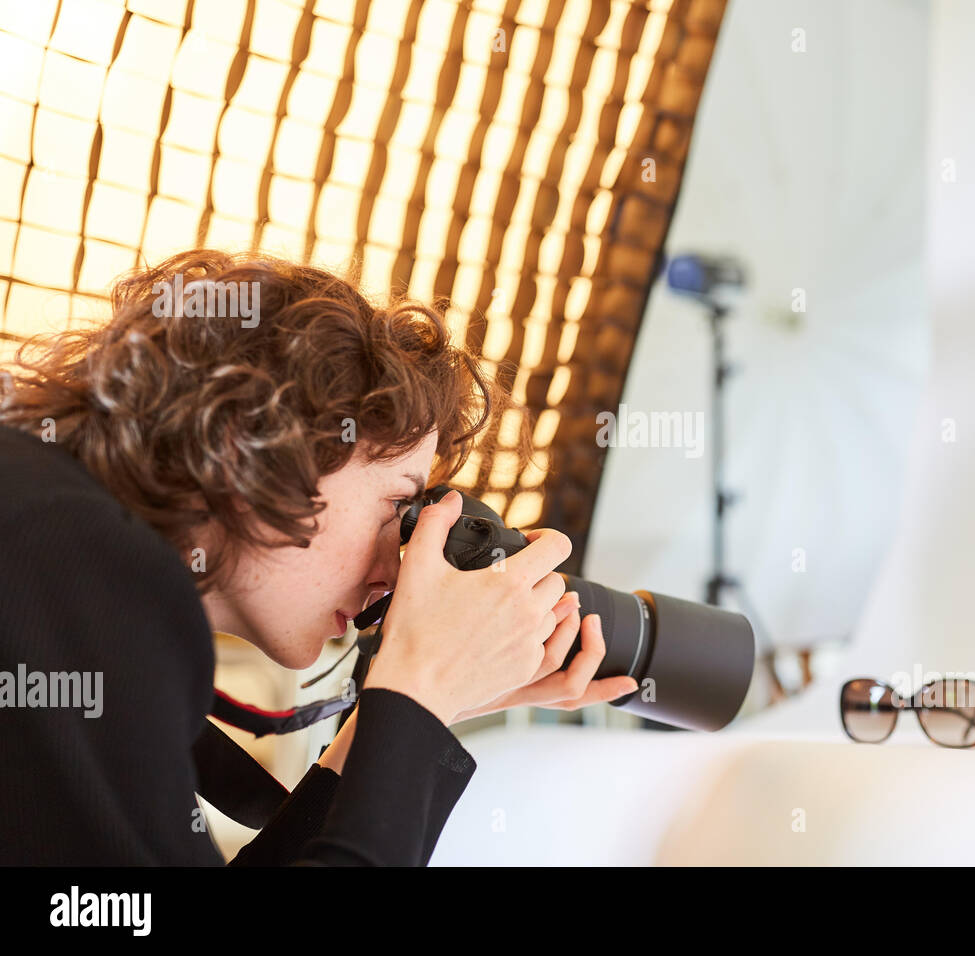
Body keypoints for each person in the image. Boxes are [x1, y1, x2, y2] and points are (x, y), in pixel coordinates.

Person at [0, 249, 638, 865]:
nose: (397, 572)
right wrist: (421, 691)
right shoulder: (67, 557)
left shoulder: (64, 548)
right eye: (397, 507)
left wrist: (418, 709)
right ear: (251, 441)